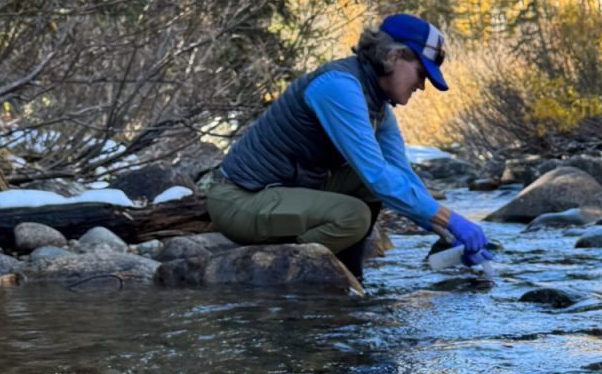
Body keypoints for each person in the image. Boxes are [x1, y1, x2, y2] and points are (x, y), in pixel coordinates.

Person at [205, 15, 491, 282]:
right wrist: (452, 220)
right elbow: (376, 175)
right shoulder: (338, 87)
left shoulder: (379, 106)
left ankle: (351, 280)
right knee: (353, 216)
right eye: (421, 73)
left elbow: (401, 175)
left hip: (283, 192)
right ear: (395, 56)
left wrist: (446, 232)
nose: (422, 86)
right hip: (241, 200)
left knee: (374, 188)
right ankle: (285, 271)